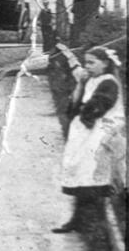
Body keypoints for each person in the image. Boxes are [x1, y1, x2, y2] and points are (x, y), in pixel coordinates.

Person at [54, 46, 125, 249]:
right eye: (86, 63)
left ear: (105, 63)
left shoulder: (109, 82)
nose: (88, 66)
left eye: (92, 62)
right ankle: (77, 219)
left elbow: (99, 105)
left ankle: (96, 222)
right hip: (85, 131)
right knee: (79, 171)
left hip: (99, 132)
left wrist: (83, 115)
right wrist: (80, 89)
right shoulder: (91, 80)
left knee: (92, 172)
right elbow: (76, 106)